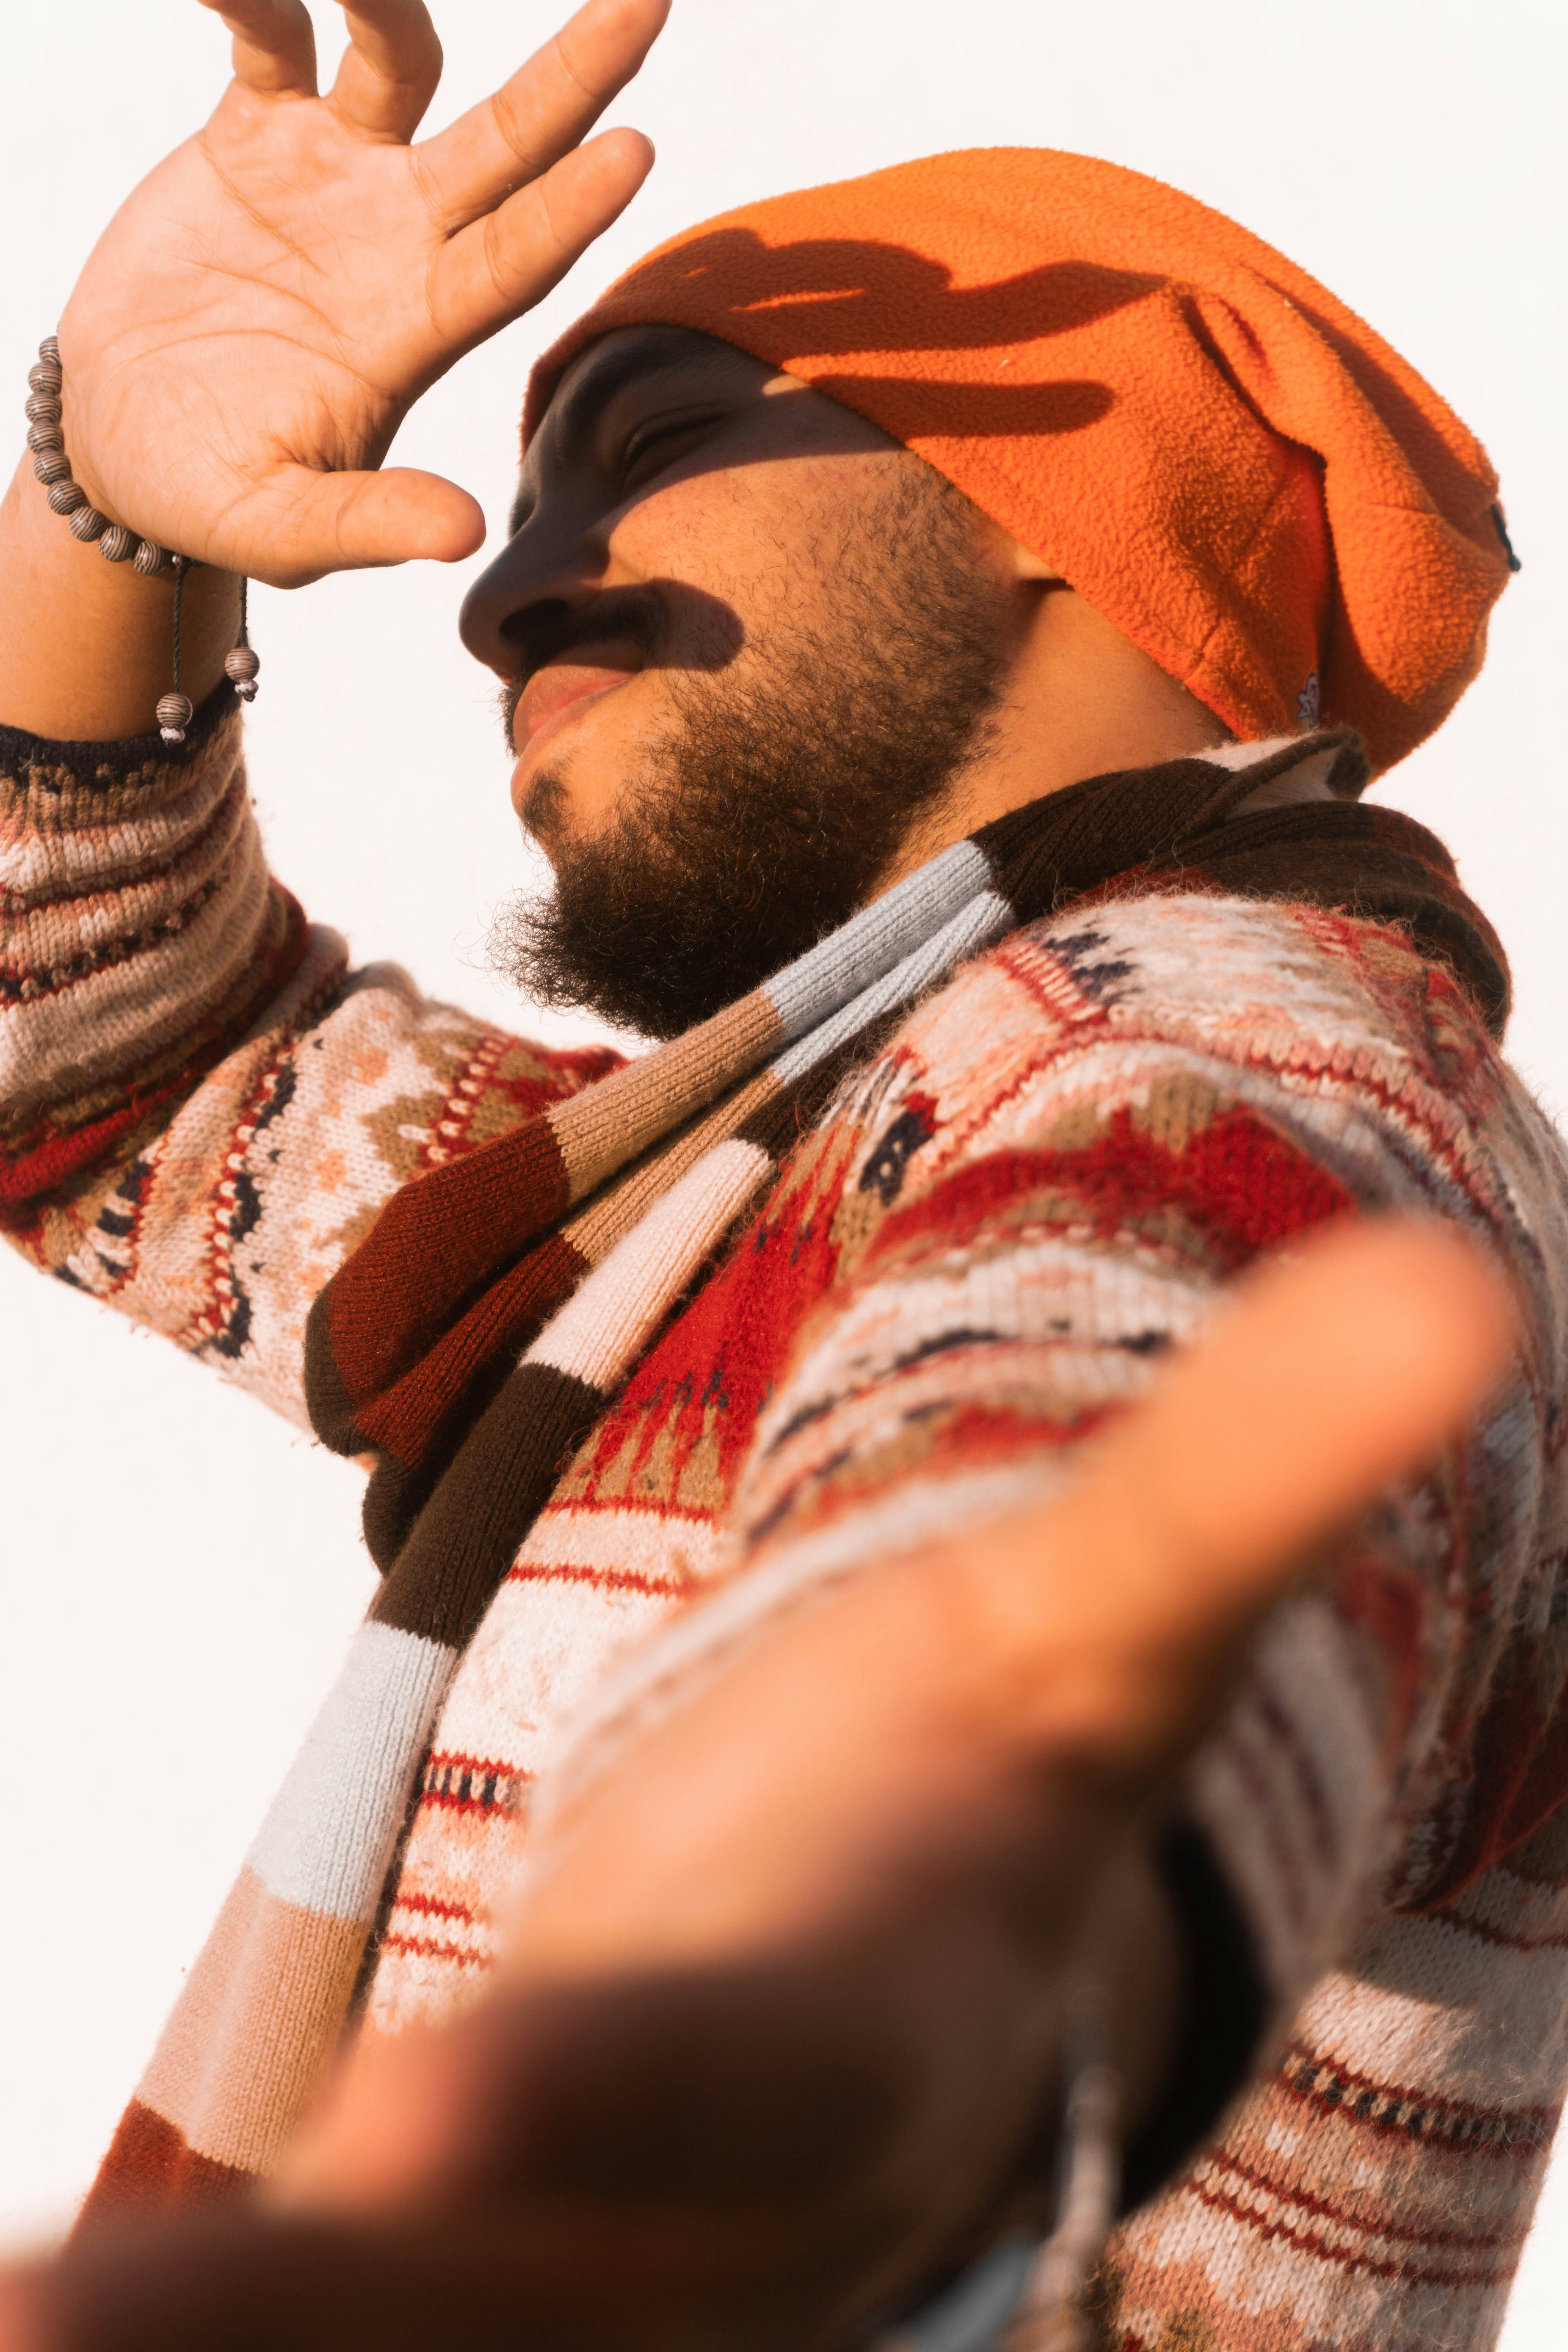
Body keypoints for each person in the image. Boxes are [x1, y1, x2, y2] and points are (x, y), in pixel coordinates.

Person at [1, 4, 1564, 2348]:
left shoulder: (1212, 1052)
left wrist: (833, 1961)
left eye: (642, 448)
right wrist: (100, 515)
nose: (503, 594)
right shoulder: (753, 1194)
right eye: (521, 506)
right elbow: (105, 1087)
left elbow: (1059, 1485)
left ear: (1065, 510)